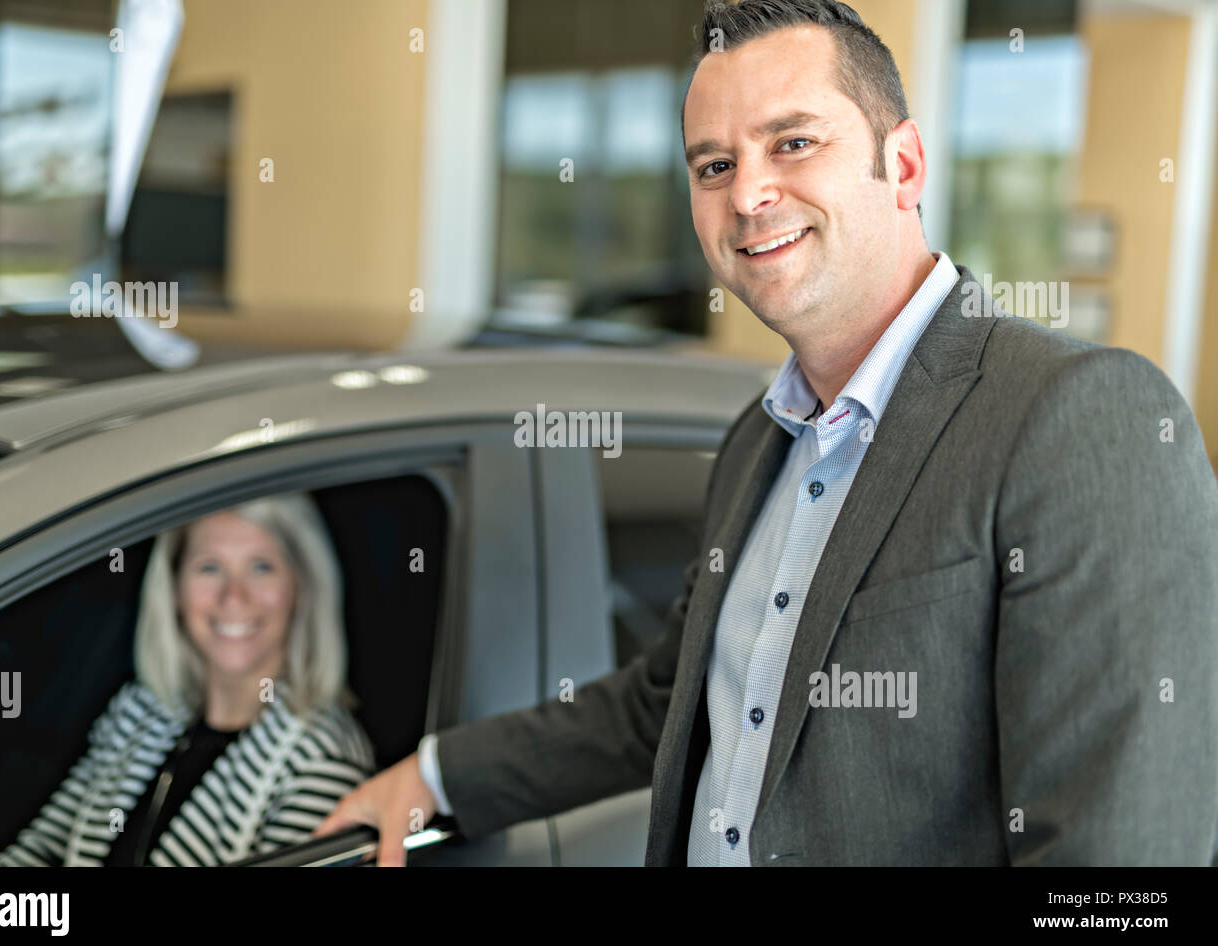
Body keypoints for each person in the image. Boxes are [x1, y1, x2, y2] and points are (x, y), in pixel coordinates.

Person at [315, 0, 1218, 866]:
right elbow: (667, 703)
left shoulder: (1081, 414)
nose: (748, 194)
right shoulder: (759, 437)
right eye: (713, 166)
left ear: (902, 166)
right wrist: (435, 775)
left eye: (793, 143)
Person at [0, 493, 376, 866]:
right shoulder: (142, 709)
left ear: (302, 586)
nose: (233, 597)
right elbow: (40, 852)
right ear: (172, 588)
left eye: (261, 567)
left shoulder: (324, 759)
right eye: (209, 567)